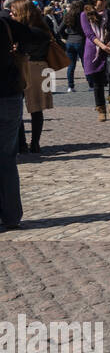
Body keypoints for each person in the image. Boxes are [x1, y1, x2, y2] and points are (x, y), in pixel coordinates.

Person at [0, 12, 45, 228]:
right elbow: (40, 36)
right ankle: (11, 216)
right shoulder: (4, 22)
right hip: (8, 96)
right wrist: (20, 49)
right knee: (7, 159)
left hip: (8, 97)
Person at [9, 0, 53, 155]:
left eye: (13, 12)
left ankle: (22, 145)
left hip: (27, 68)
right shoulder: (42, 29)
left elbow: (22, 51)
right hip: (42, 68)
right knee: (37, 109)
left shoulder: (24, 32)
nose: (10, 15)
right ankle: (35, 144)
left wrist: (16, 48)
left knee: (18, 107)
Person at [81, 0, 110, 122]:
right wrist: (102, 46)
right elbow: (89, 34)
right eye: (101, 0)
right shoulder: (85, 15)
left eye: (105, 0)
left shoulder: (109, 14)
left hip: (109, 50)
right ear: (93, 1)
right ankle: (101, 109)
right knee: (97, 83)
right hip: (94, 51)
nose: (104, 3)